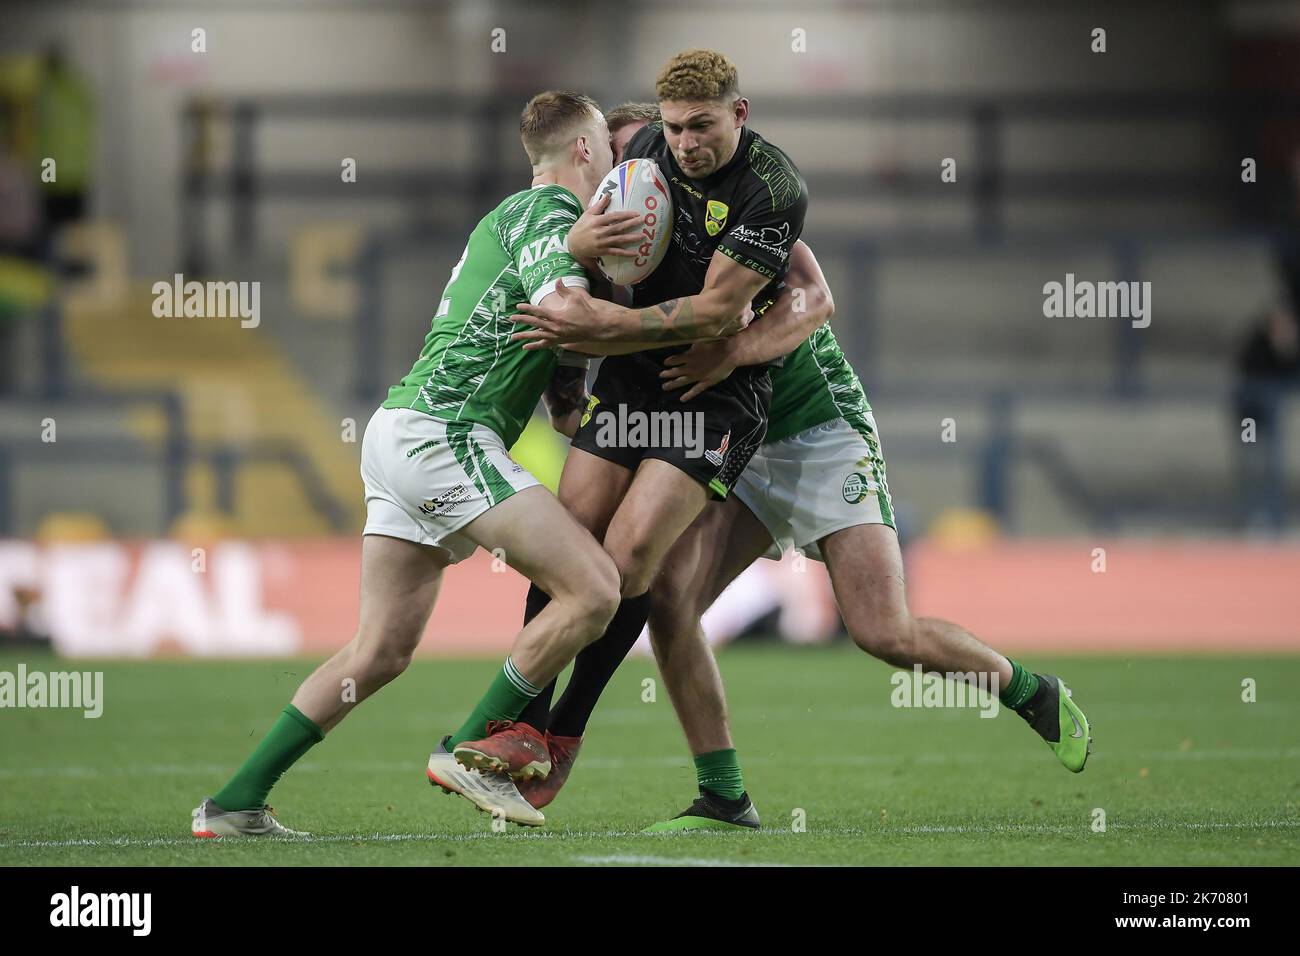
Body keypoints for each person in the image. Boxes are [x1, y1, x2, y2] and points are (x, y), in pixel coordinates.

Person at [507, 105, 1095, 832]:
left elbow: (817, 298)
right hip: (731, 439)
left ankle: (1028, 690)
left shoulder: (733, 211)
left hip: (818, 432)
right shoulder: (620, 236)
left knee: (882, 631)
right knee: (666, 601)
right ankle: (723, 796)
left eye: (641, 157)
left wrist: (732, 351)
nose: (631, 178)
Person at [191, 90, 628, 835]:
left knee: (381, 650)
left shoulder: (523, 224)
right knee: (594, 591)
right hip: (445, 434)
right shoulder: (545, 214)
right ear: (585, 149)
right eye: (612, 153)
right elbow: (569, 318)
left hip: (403, 431)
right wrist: (679, 329)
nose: (618, 168)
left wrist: (573, 412)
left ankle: (233, 803)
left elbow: (554, 351)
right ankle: (470, 745)